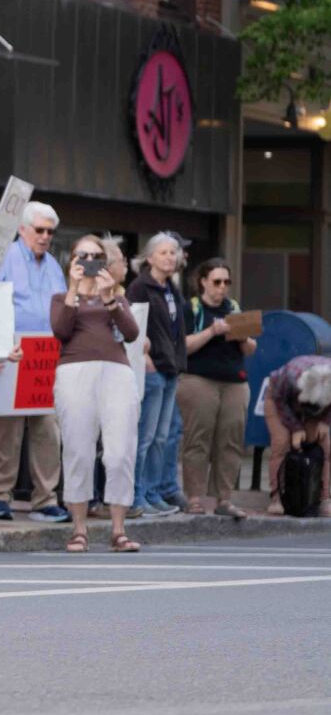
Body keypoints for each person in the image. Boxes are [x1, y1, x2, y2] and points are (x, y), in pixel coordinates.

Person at [50, 235, 141, 554]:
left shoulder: (116, 296)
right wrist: (75, 289)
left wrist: (109, 298)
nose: (89, 261)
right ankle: (79, 530)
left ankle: (118, 530)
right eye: (82, 256)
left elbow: (131, 333)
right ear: (72, 261)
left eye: (96, 256)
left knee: (120, 452)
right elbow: (61, 331)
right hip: (75, 372)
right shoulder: (61, 297)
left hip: (116, 372)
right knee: (78, 450)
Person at [0, 201, 70, 523]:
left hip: (46, 354)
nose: (46, 236)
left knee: (47, 429)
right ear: (22, 229)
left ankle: (45, 499)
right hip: (13, 350)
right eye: (40, 230)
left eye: (51, 231)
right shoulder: (4, 258)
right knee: (8, 431)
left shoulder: (54, 266)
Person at [178, 259, 254, 519]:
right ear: (203, 282)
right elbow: (183, 346)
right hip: (199, 378)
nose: (222, 287)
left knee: (231, 439)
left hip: (234, 380)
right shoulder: (191, 308)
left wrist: (242, 336)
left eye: (226, 282)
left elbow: (250, 348)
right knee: (198, 437)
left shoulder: (234, 308)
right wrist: (212, 331)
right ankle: (194, 497)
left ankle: (224, 498)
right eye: (217, 282)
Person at [127, 232, 186, 517]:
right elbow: (133, 325)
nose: (170, 258)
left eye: (173, 253)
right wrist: (145, 358)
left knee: (162, 437)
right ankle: (136, 496)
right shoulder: (140, 287)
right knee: (145, 437)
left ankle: (152, 492)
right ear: (149, 257)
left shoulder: (172, 288)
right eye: (163, 253)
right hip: (151, 369)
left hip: (171, 368)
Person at [264, 356, 331, 516]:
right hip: (279, 398)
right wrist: (296, 428)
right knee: (282, 442)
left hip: (322, 405)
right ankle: (277, 498)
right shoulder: (289, 377)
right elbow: (280, 401)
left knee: (323, 445)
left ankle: (323, 498)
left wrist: (325, 421)